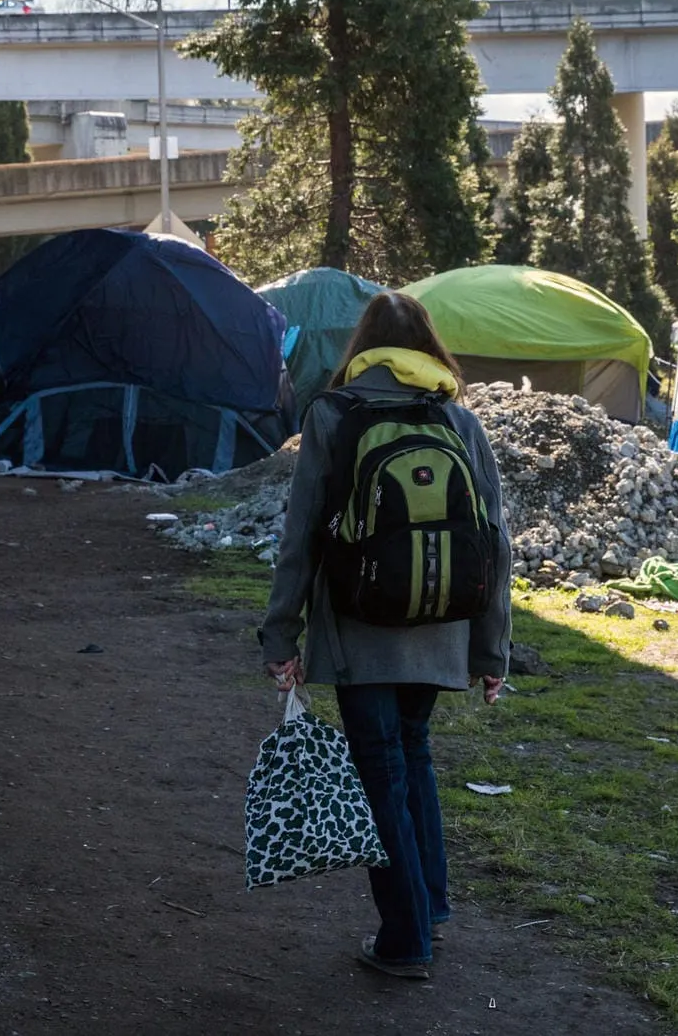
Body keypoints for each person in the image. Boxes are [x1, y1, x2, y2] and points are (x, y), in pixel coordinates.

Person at [259, 291, 511, 981]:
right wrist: (492, 651)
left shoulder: (333, 415)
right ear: (428, 346)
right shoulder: (458, 418)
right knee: (412, 753)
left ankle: (404, 939)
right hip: (443, 628)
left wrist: (280, 636)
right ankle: (428, 907)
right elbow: (495, 544)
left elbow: (301, 538)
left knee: (381, 771)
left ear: (362, 346)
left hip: (360, 630)